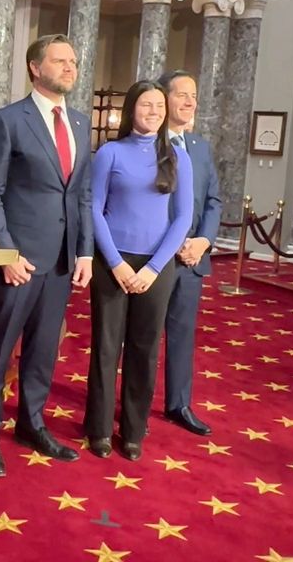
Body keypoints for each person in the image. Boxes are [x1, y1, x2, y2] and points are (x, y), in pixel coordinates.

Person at [0, 34, 93, 477]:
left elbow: (81, 194)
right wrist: (7, 252)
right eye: (60, 61)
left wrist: (85, 252)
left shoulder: (80, 122)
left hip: (61, 260)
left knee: (44, 349)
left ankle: (31, 423)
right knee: (0, 348)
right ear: (35, 68)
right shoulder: (8, 120)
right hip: (19, 261)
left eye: (73, 61)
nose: (70, 67)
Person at [83, 79, 193, 462]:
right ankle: (98, 428)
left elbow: (183, 218)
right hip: (111, 261)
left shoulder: (177, 157)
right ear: (131, 109)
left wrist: (154, 268)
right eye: (146, 105)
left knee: (144, 350)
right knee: (106, 347)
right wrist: (115, 262)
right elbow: (94, 209)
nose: (154, 112)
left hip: (156, 267)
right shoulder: (109, 153)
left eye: (159, 106)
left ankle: (132, 430)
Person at [160, 70, 222, 436]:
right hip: (155, 260)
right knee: (142, 338)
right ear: (164, 98)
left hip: (192, 259)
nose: (190, 102)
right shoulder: (149, 143)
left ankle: (178, 404)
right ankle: (133, 407)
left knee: (182, 336)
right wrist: (172, 243)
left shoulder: (199, 147)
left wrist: (203, 241)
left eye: (193, 95)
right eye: (182, 94)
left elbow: (213, 200)